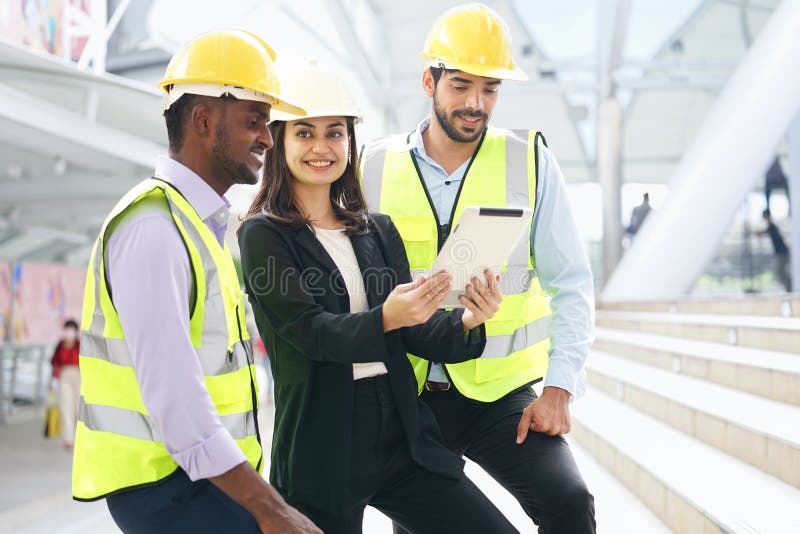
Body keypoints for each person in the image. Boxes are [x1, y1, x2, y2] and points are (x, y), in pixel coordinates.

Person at [238, 59, 517, 534]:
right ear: (279, 140)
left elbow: (415, 331)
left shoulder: (377, 230)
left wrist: (469, 319)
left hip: (401, 434)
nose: (322, 147)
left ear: (350, 140)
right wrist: (386, 317)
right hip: (323, 446)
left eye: (335, 133)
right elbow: (309, 332)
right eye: (305, 133)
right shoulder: (264, 234)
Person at [71, 30, 322, 534]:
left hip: (201, 482)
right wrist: (273, 511)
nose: (267, 138)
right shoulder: (153, 229)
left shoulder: (196, 225)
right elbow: (178, 404)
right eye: (254, 120)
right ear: (203, 120)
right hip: (168, 487)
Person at [359, 4, 596, 533]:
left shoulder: (528, 161)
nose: (475, 103)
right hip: (408, 396)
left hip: (500, 396)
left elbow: (571, 283)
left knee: (569, 502)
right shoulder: (371, 165)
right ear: (429, 81)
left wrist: (560, 388)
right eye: (461, 85)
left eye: (490, 89)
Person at [49, 318, 80, 451]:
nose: (69, 333)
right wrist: (51, 380)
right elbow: (54, 361)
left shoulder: (80, 345)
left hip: (79, 374)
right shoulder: (60, 345)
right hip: (64, 375)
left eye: (71, 330)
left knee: (78, 406)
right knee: (66, 405)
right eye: (67, 330)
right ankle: (68, 438)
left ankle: (79, 436)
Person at [757, 209, 792, 292]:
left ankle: (790, 287)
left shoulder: (772, 227)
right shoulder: (771, 227)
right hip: (781, 253)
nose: (763, 218)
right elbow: (763, 232)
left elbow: (764, 232)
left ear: (767, 216)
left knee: (779, 271)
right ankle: (790, 287)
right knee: (780, 271)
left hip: (782, 253)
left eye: (764, 216)